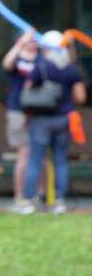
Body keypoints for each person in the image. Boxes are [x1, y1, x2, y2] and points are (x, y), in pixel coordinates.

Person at [20, 31, 86, 214]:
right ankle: (60, 201)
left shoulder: (40, 67)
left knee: (35, 159)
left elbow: (26, 94)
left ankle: (28, 201)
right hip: (63, 119)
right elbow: (80, 97)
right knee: (60, 160)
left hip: (40, 120)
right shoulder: (70, 69)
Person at [2, 30, 41, 213]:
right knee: (24, 154)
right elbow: (7, 64)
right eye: (28, 39)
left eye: (34, 39)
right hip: (18, 110)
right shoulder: (17, 58)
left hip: (41, 112)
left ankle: (38, 195)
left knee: (40, 155)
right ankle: (20, 197)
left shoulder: (43, 58)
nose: (32, 42)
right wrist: (20, 45)